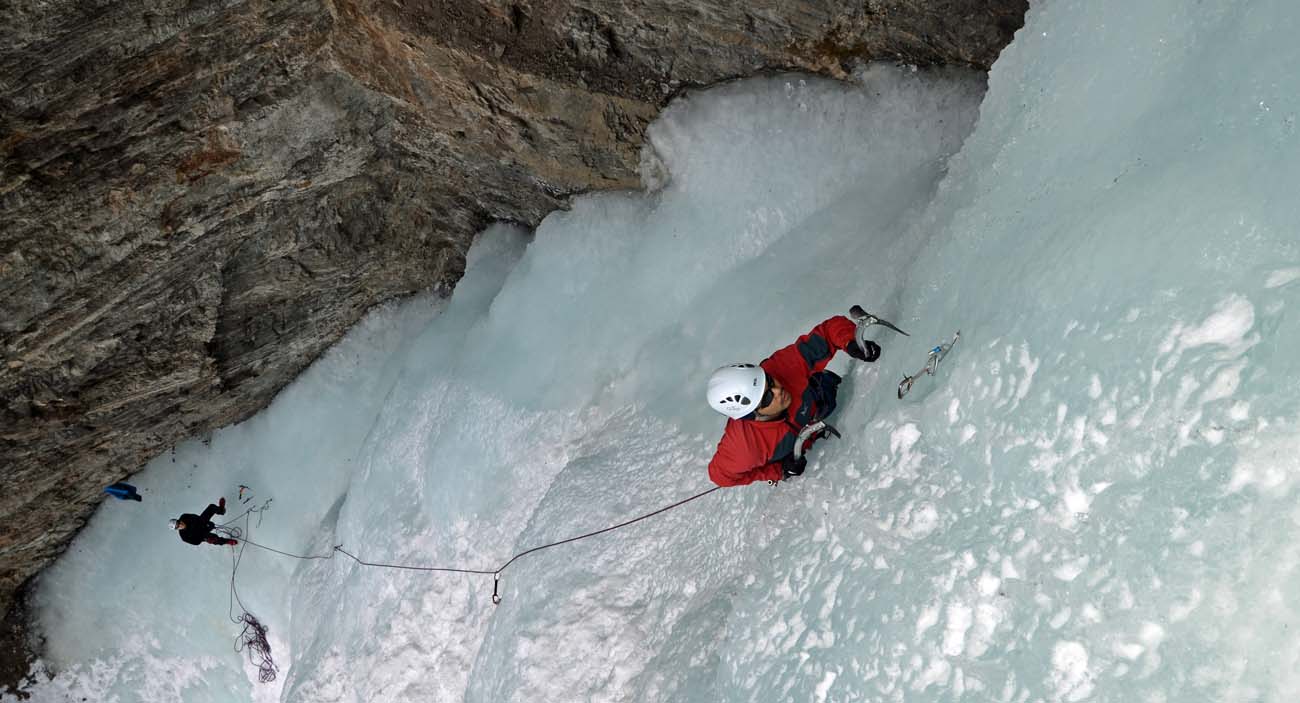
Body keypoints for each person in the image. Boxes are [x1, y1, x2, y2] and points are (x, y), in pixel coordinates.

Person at [706, 313, 881, 487]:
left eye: (769, 380)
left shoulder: (780, 368)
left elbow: (828, 331)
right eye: (767, 397)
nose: (778, 390)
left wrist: (850, 342)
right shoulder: (744, 447)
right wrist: (778, 471)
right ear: (752, 415)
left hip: (821, 398)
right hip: (801, 447)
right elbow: (720, 477)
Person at [169, 497, 238, 546]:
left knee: (211, 507)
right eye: (178, 527)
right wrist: (205, 539)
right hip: (202, 535)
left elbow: (196, 517)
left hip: (201, 522)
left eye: (179, 522)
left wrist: (207, 523)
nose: (180, 525)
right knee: (212, 539)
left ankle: (221, 510)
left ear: (179, 520)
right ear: (177, 529)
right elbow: (196, 542)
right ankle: (227, 541)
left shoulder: (184, 517)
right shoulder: (184, 536)